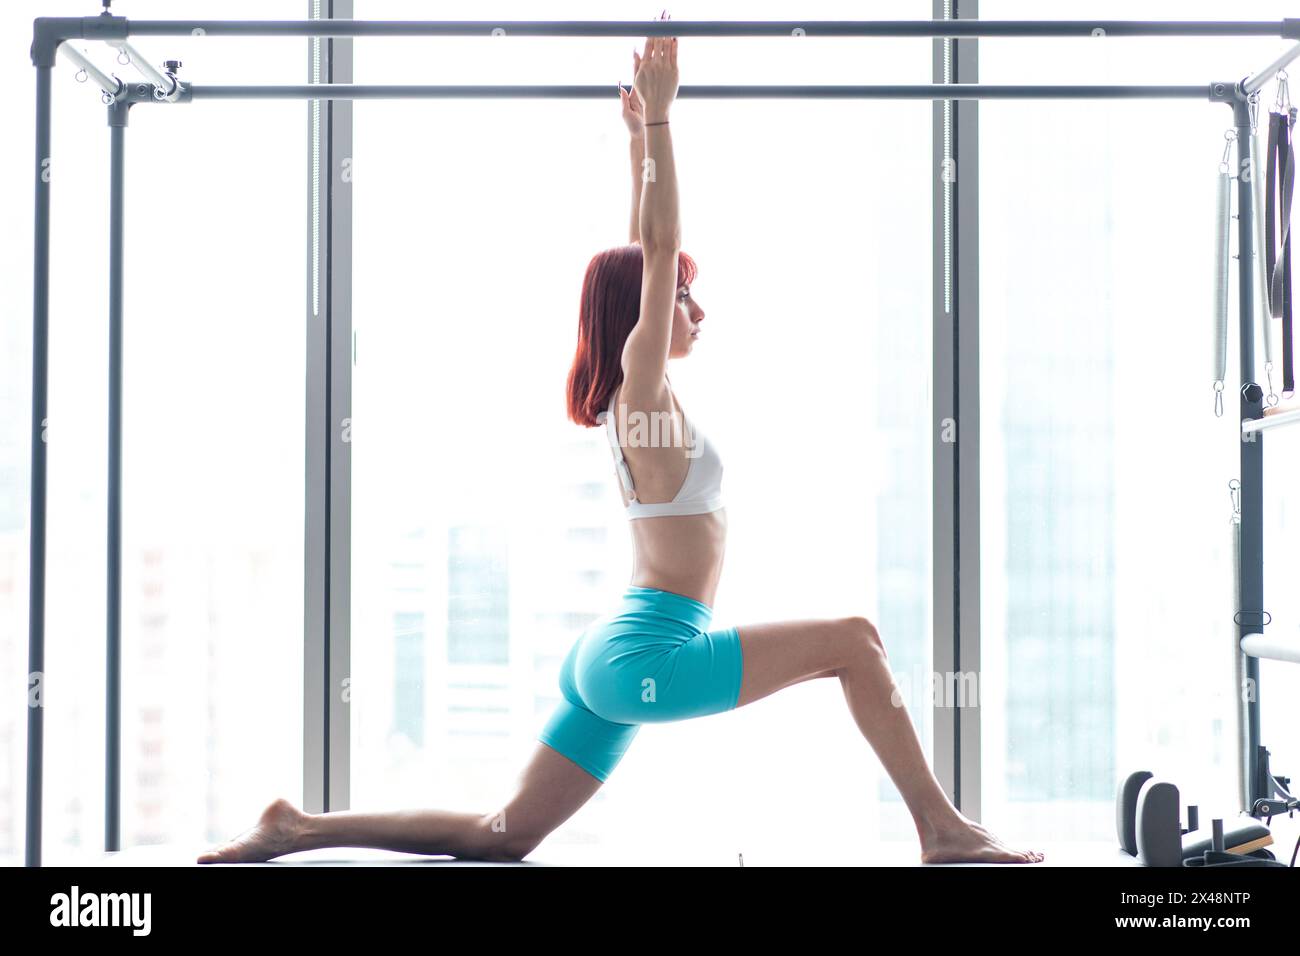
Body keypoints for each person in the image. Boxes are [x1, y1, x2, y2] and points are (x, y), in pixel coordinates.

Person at [197, 26, 1043, 867]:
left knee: (501, 835)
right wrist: (666, 125)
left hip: (616, 651)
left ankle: (296, 828)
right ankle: (940, 829)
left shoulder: (635, 402)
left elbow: (648, 248)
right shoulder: (639, 392)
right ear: (639, 315)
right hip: (650, 652)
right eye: (685, 302)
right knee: (855, 639)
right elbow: (660, 251)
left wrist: (637, 137)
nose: (697, 313)